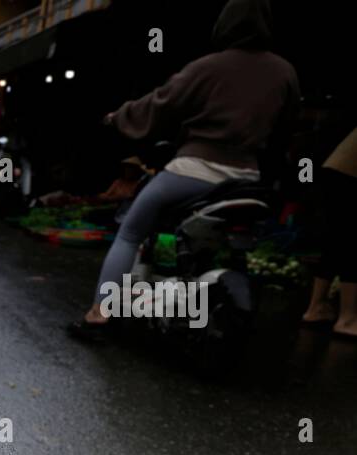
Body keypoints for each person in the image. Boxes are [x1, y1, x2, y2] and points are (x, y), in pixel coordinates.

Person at [70, 0, 299, 339]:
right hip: (247, 181)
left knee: (130, 231)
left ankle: (100, 313)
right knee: (237, 246)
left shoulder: (207, 67)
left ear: (225, 24)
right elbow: (287, 130)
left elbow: (160, 103)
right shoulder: (285, 72)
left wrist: (117, 118)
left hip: (194, 171)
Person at [301, 126, 357, 336]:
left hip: (335, 171)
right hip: (350, 176)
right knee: (351, 244)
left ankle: (316, 308)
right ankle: (348, 319)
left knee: (336, 243)